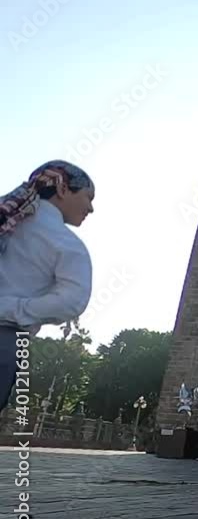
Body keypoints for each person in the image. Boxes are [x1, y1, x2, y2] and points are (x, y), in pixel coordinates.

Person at [0, 160, 95, 411]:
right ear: (63, 190)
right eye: (88, 196)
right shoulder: (65, 243)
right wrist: (12, 309)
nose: (91, 207)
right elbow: (72, 300)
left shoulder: (7, 217)